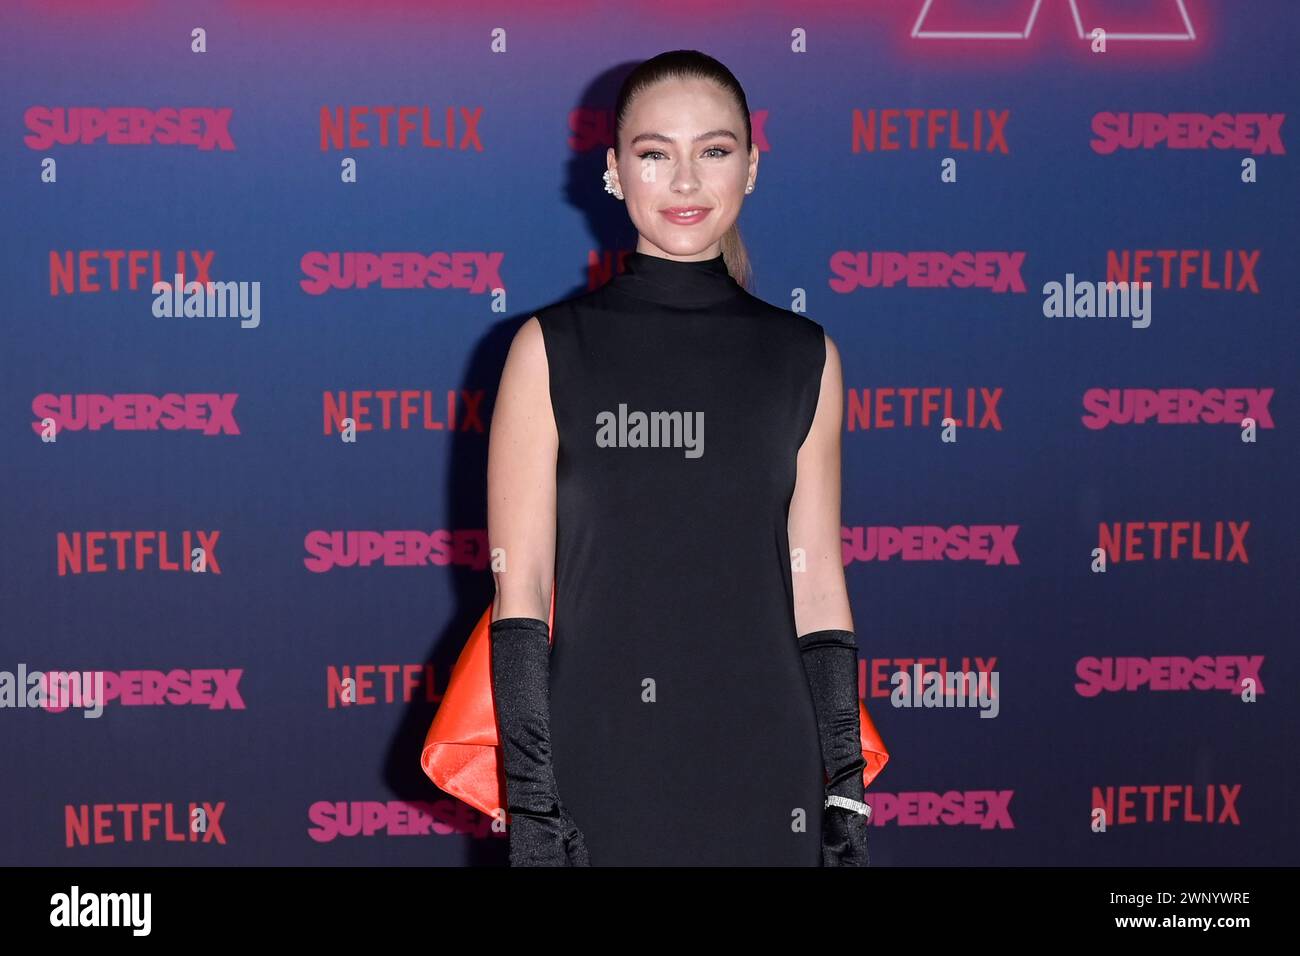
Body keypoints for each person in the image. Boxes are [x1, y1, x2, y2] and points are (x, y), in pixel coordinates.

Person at [486, 49, 870, 866]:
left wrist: (843, 794)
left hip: (769, 763)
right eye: (656, 153)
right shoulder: (550, 351)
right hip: (601, 763)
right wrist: (533, 810)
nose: (687, 182)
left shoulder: (806, 356)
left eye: (716, 150)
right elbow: (518, 598)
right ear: (616, 173)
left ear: (753, 167)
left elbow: (820, 587)